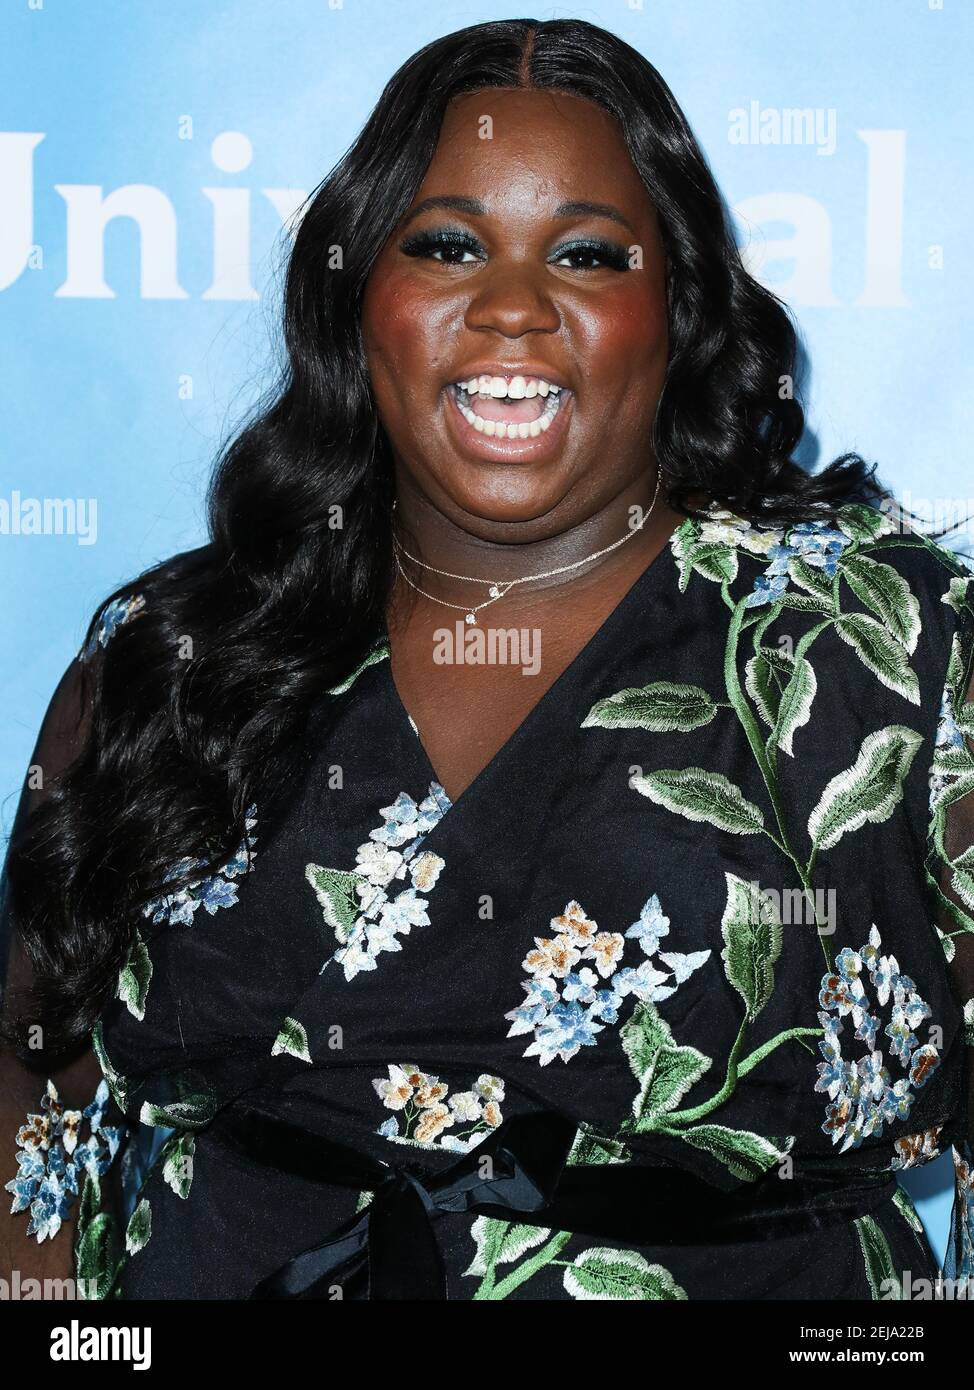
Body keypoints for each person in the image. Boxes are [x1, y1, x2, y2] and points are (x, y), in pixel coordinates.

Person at [2, 16, 972, 1302]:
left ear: (675, 311)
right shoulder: (173, 657)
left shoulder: (884, 646)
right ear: (358, 301)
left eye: (585, 254)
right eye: (448, 244)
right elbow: (34, 1066)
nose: (512, 306)